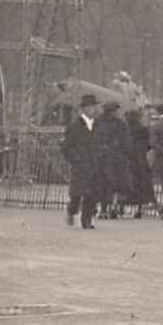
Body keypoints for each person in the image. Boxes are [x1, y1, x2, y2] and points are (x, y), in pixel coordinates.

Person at [61, 94, 104, 229]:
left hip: (95, 164)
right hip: (80, 165)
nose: (94, 110)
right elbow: (66, 146)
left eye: (95, 107)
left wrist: (101, 154)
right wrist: (76, 159)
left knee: (92, 193)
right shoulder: (74, 126)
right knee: (77, 194)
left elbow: (102, 142)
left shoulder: (98, 125)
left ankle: (87, 220)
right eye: (92, 107)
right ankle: (71, 210)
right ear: (84, 109)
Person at [123, 109, 156, 219]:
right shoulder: (143, 129)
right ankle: (139, 208)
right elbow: (149, 144)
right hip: (140, 159)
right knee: (141, 183)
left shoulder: (124, 129)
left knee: (126, 183)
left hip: (127, 158)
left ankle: (121, 206)